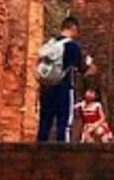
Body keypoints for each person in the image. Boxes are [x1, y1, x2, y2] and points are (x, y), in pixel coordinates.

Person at [33, 15, 95, 144]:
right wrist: (91, 66)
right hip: (64, 88)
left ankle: (38, 157)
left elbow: (38, 60)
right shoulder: (72, 46)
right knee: (64, 125)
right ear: (73, 28)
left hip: (47, 88)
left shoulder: (51, 43)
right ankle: (63, 157)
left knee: (45, 123)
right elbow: (83, 70)